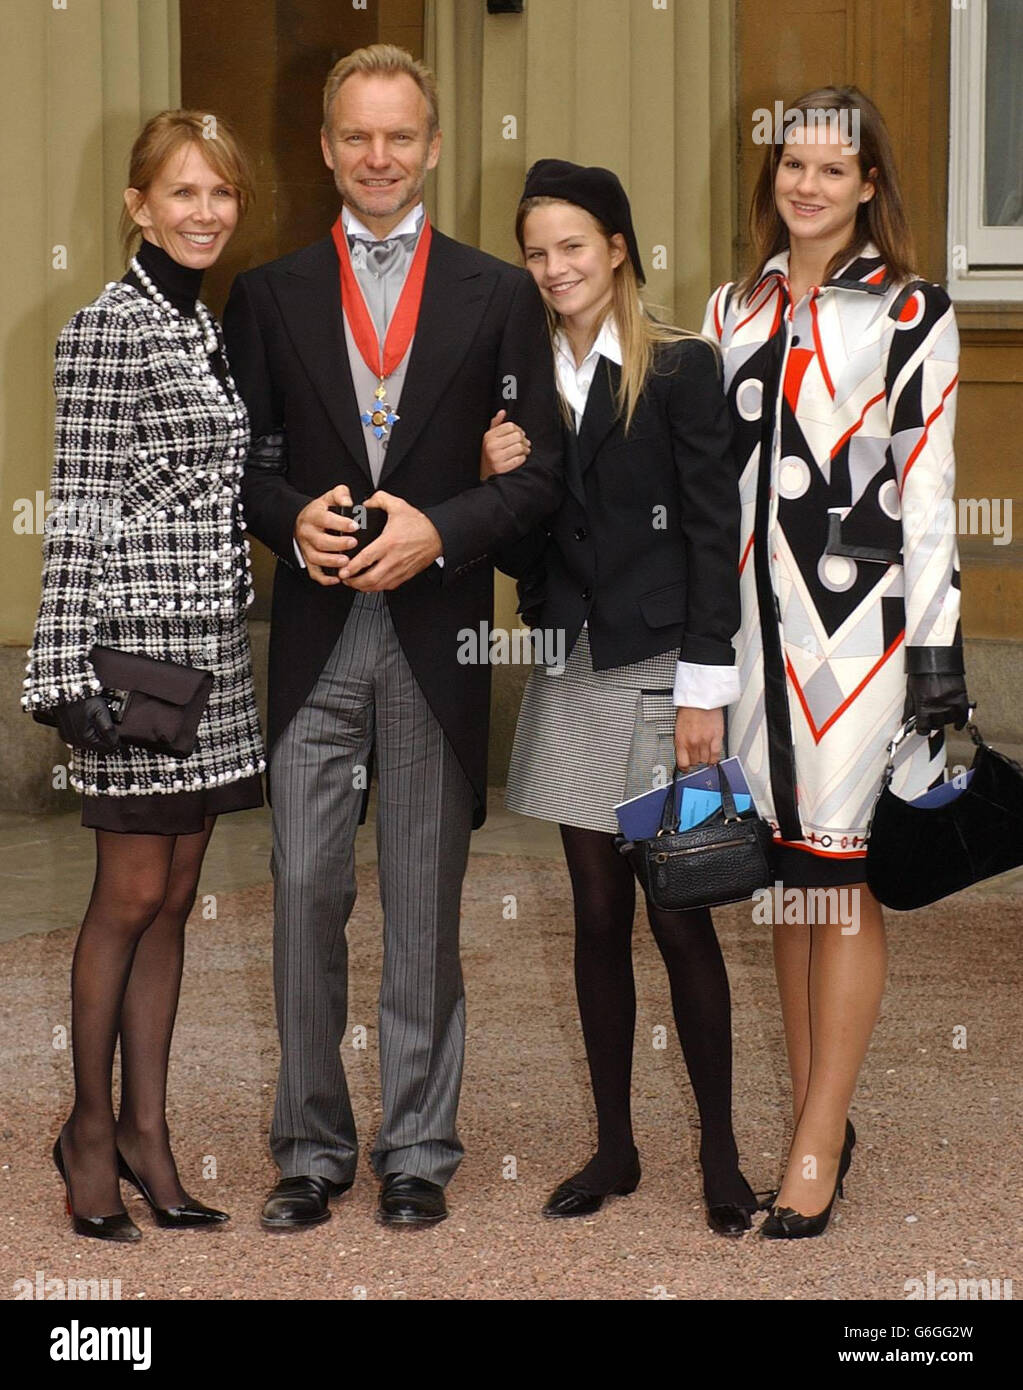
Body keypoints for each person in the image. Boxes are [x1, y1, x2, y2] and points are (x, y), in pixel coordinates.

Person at [222, 45, 562, 1231]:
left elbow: (541, 480)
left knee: (423, 904)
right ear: (327, 148)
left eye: (400, 136)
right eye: (357, 137)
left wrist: (444, 529)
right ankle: (310, 1147)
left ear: (431, 147)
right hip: (315, 633)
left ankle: (417, 1145)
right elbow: (245, 461)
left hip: (434, 634)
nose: (379, 157)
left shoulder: (498, 295)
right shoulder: (265, 296)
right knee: (307, 891)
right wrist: (285, 514)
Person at [702, 87, 968, 1238]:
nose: (805, 187)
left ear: (869, 185)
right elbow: (706, 488)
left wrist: (938, 655)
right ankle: (822, 1115)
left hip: (862, 642)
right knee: (794, 878)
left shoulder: (910, 311)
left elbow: (929, 487)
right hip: (754, 643)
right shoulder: (730, 309)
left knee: (842, 872)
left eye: (831, 170)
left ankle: (815, 1141)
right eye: (790, 168)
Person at [491, 160, 762, 1236]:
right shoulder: (522, 380)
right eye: (536, 250)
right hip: (571, 676)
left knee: (680, 909)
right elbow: (521, 550)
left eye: (572, 246)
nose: (554, 268)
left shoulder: (684, 369)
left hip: (666, 679)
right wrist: (498, 471)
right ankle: (614, 1145)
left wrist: (706, 691)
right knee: (596, 913)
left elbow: (712, 535)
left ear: (616, 248)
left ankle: (726, 1154)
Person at [22, 111, 264, 1241]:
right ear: (138, 206)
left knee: (173, 898)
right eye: (182, 194)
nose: (205, 212)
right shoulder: (106, 327)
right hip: (129, 664)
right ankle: (85, 1126)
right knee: (125, 899)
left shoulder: (201, 323)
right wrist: (62, 663)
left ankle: (147, 1131)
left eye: (220, 193)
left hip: (209, 663)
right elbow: (78, 503)